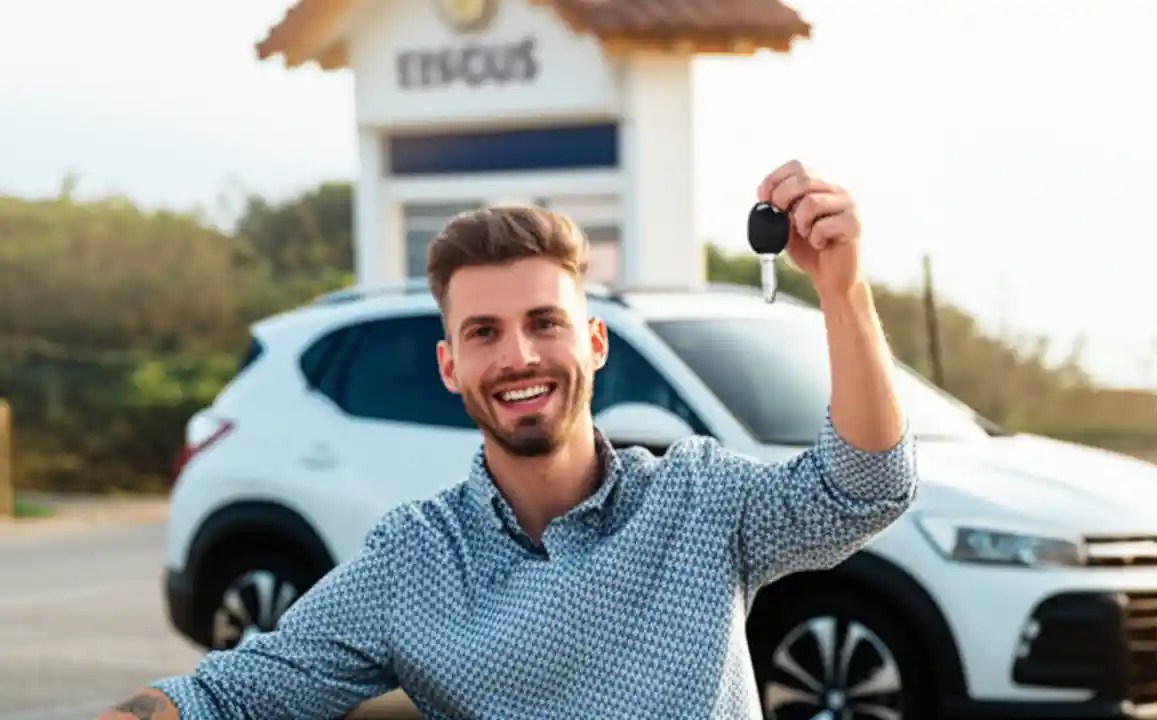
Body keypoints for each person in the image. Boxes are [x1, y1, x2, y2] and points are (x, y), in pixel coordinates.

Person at [99, 160, 918, 720]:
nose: (519, 355)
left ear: (594, 343)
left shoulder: (697, 500)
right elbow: (230, 698)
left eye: (544, 324)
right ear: (451, 366)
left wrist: (842, 290)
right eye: (486, 333)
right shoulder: (412, 565)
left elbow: (863, 487)